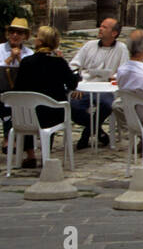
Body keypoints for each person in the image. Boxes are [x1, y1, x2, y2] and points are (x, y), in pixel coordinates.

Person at [12, 25, 89, 168]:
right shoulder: (58, 62)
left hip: (27, 116)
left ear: (41, 42)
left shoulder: (27, 62)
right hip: (52, 115)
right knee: (52, 106)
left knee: (29, 106)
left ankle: (30, 155)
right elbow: (72, 84)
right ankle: (46, 153)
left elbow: (18, 87)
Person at [68, 17, 128, 148]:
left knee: (108, 104)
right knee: (73, 107)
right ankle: (97, 131)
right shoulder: (89, 45)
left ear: (114, 33)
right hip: (85, 86)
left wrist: (115, 77)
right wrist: (76, 85)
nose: (100, 29)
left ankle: (86, 133)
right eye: (100, 26)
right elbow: (73, 66)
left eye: (104, 27)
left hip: (105, 88)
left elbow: (124, 70)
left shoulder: (121, 48)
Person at [0, 17, 33, 132]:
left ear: (25, 36)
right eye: (12, 32)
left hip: (21, 94)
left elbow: (31, 75)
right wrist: (9, 59)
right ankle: (8, 139)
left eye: (19, 33)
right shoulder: (0, 49)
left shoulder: (29, 53)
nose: (15, 35)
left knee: (16, 102)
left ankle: (11, 139)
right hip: (1, 92)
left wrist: (19, 59)